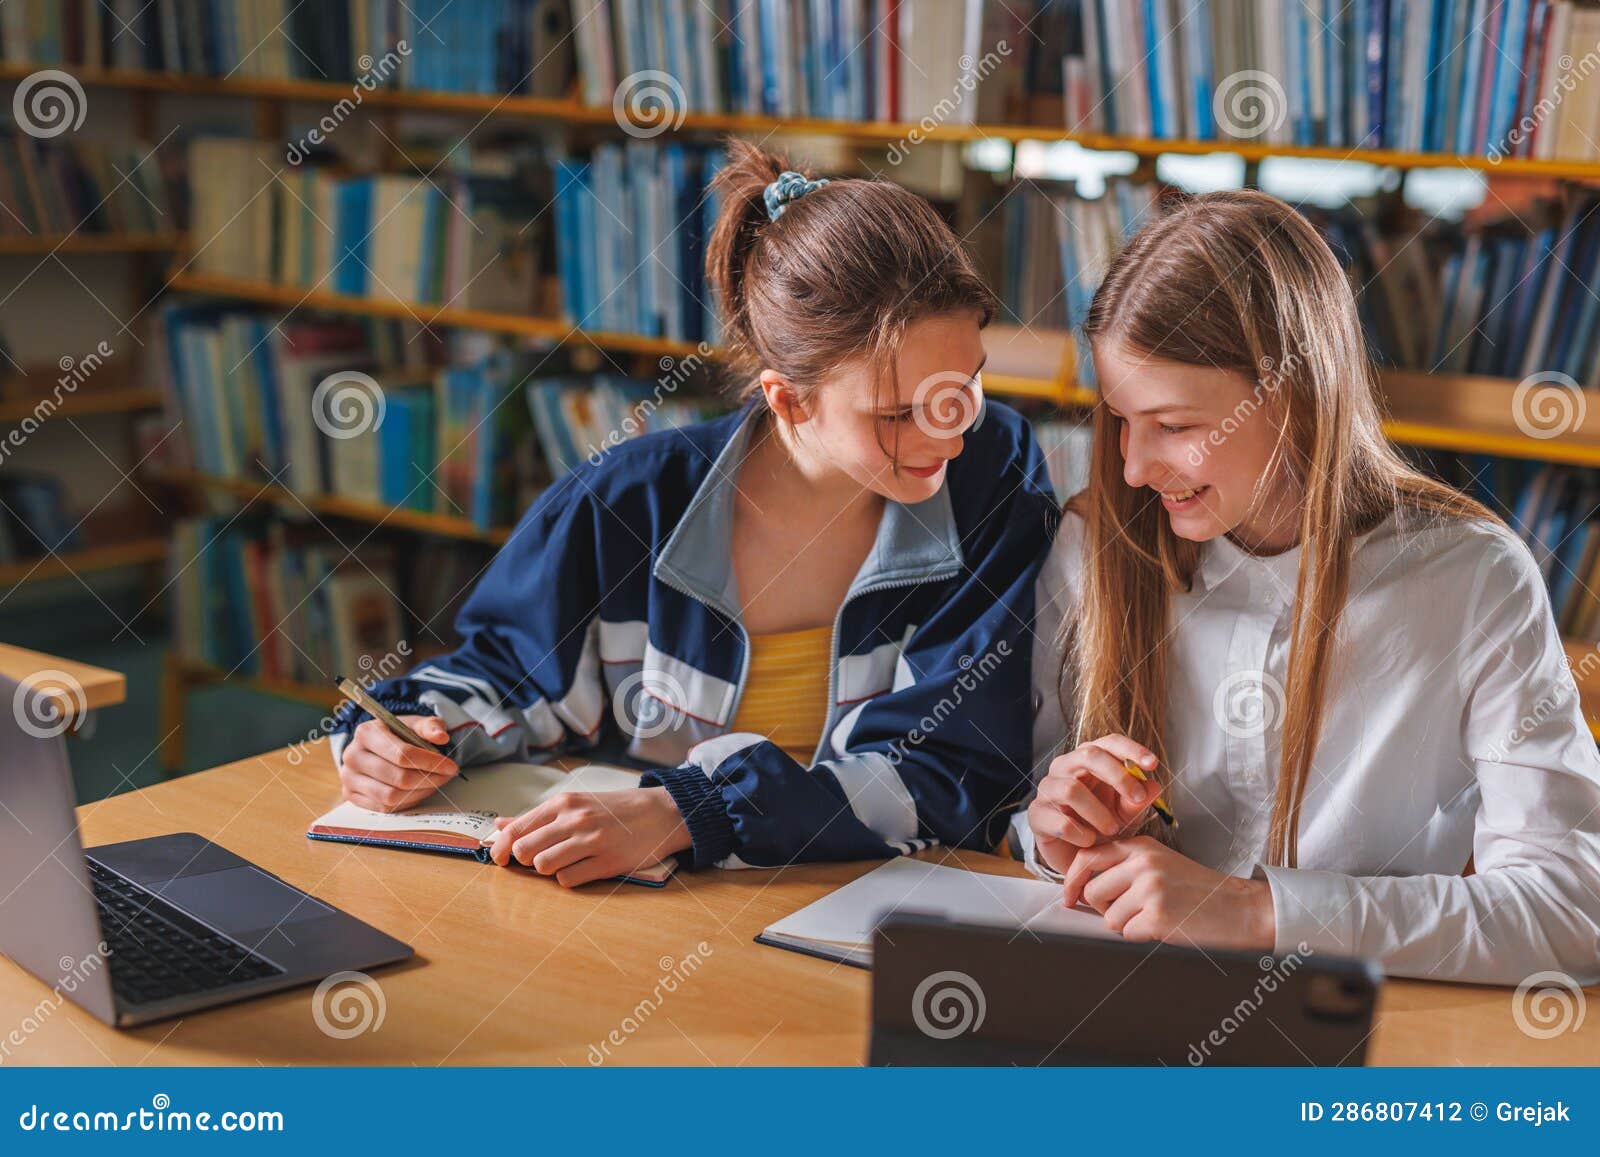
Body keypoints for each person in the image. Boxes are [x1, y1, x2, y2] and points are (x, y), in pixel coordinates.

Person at [330, 139, 1059, 886]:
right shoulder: (627, 500)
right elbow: (506, 674)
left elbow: (954, 775)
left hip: (855, 914)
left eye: (964, 387)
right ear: (788, 399)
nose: (949, 431)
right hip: (631, 911)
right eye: (899, 413)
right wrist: (401, 737)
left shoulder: (991, 475)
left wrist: (692, 810)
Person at [1021, 189, 1600, 985]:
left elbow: (1571, 913)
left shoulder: (1474, 580)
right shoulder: (1094, 550)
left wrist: (1257, 911)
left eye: (1177, 426)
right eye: (1122, 418)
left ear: (1294, 397)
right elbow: (1023, 822)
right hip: (1117, 1011)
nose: (1132, 468)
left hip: (1360, 1046)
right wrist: (1052, 831)